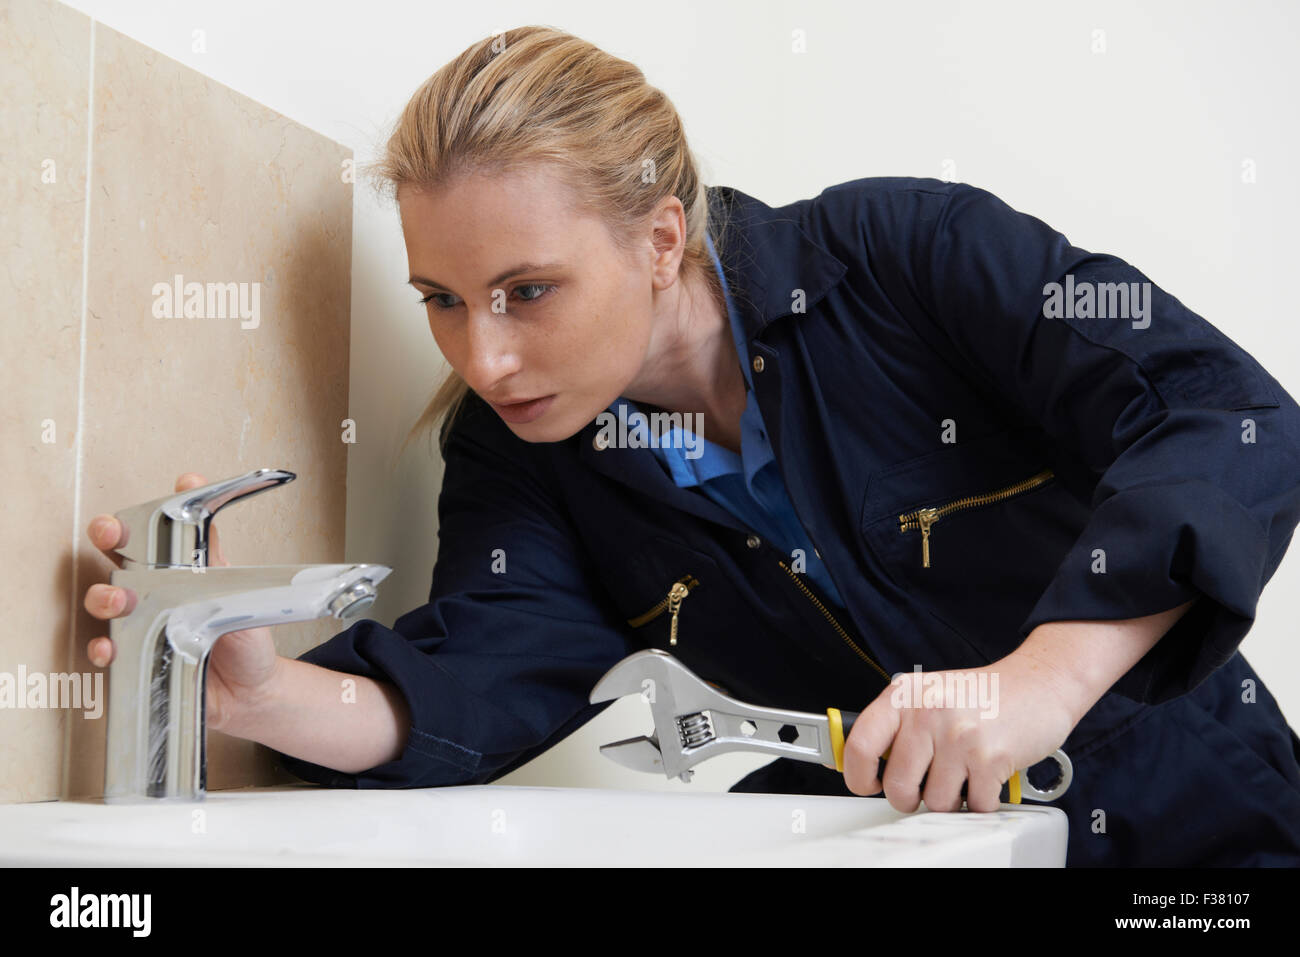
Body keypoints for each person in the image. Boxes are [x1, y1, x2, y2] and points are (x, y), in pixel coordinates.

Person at [82, 26, 1300, 867]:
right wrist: (267, 694)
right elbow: (488, 680)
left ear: (661, 239)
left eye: (527, 291)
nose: (482, 358)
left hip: (1208, 827)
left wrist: (1040, 681)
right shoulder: (518, 455)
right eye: (442, 301)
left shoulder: (908, 254)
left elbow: (1223, 414)